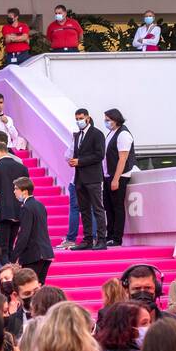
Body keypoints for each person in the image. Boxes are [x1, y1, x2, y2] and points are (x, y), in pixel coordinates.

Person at [69, 108, 107, 251]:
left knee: (97, 209)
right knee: (84, 210)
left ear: (88, 118)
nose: (79, 121)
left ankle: (102, 239)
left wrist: (80, 161)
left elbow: (99, 155)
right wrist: (75, 162)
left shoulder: (97, 134)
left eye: (81, 118)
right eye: (77, 118)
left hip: (93, 178)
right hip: (80, 179)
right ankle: (88, 239)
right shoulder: (78, 135)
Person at [0, 136, 29, 264]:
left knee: (3, 247)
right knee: (11, 246)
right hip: (19, 211)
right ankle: (12, 271)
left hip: (3, 211)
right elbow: (28, 189)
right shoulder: (22, 168)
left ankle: (7, 273)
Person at [101, 108, 138, 248]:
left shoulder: (123, 134)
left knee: (117, 207)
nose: (106, 122)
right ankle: (109, 235)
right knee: (108, 206)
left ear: (115, 119)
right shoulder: (111, 133)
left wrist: (116, 179)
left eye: (108, 120)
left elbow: (122, 159)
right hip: (108, 175)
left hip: (119, 176)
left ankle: (117, 238)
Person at [12, 176, 55, 284]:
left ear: (25, 191)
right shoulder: (40, 205)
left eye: (16, 189)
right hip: (46, 253)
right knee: (39, 286)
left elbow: (24, 234)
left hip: (33, 255)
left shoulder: (26, 207)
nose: (14, 192)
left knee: (30, 287)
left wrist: (14, 256)